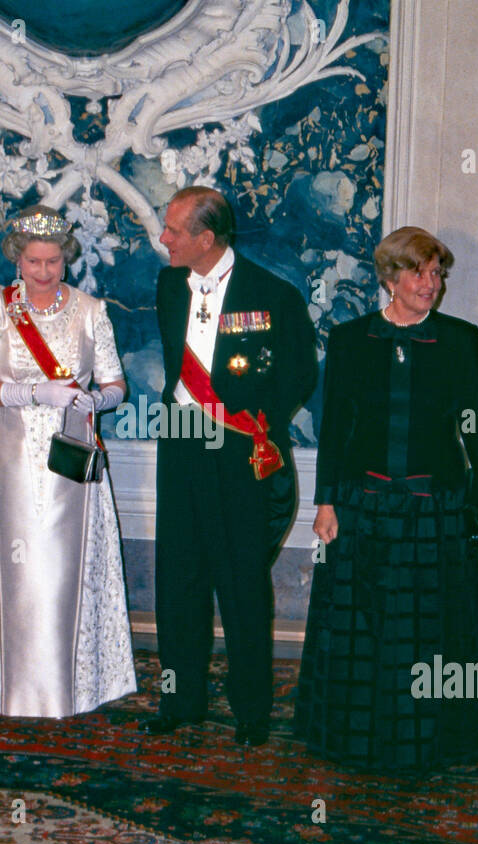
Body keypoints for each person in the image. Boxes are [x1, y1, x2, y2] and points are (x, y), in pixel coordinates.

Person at [295, 227, 478, 770]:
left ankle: (438, 740)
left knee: (434, 627)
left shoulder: (461, 340)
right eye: (418, 272)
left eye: (437, 273)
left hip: (436, 507)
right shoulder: (348, 340)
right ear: (389, 278)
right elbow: (335, 427)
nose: (430, 283)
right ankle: (354, 738)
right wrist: (325, 502)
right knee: (363, 625)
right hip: (363, 505)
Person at [0, 205, 136, 718]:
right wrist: (34, 392)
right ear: (17, 260)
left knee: (64, 568)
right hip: (11, 457)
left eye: (53, 261)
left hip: (72, 454)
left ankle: (74, 686)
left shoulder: (93, 311)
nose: (45, 272)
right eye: (34, 262)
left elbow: (116, 384)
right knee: (17, 566)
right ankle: (2, 688)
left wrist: (96, 401)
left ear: (66, 258)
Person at [142, 186, 317, 746]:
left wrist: (256, 420)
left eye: (173, 230)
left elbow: (300, 374)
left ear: (206, 238)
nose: (163, 239)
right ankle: (180, 699)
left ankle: (251, 711)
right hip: (181, 448)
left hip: (239, 451)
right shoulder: (169, 285)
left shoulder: (274, 294)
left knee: (242, 584)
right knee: (178, 579)